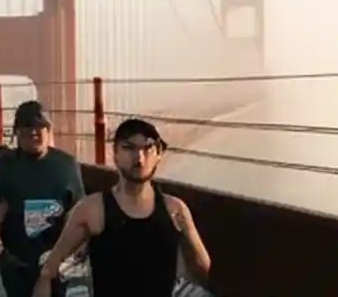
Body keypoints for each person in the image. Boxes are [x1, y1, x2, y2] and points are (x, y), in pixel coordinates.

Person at [33, 118, 211, 297]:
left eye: (148, 148)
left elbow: (203, 269)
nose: (139, 157)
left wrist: (186, 234)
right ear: (115, 153)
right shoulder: (93, 210)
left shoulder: (175, 209)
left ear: (159, 154)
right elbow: (49, 270)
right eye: (129, 147)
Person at [0, 100, 85, 297]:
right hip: (13, 262)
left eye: (40, 126)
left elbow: (78, 210)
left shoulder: (67, 165)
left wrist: (73, 250)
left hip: (56, 262)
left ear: (49, 129)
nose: (34, 132)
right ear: (16, 132)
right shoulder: (2, 165)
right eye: (26, 126)